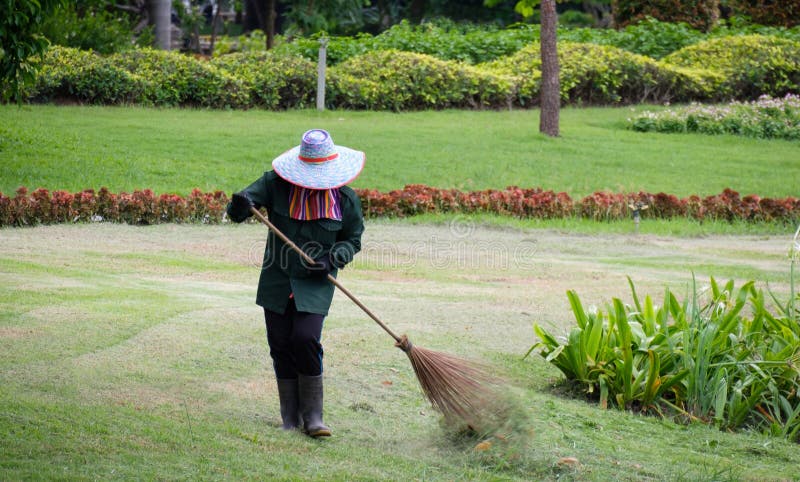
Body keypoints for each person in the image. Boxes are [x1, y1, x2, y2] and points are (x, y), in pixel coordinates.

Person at [226, 129, 365, 437]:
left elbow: (353, 240)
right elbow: (238, 210)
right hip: (277, 278)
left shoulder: (345, 199)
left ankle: (313, 417)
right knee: (279, 343)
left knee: (305, 338)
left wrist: (332, 258)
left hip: (315, 283)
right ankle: (290, 418)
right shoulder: (275, 184)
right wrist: (239, 204)